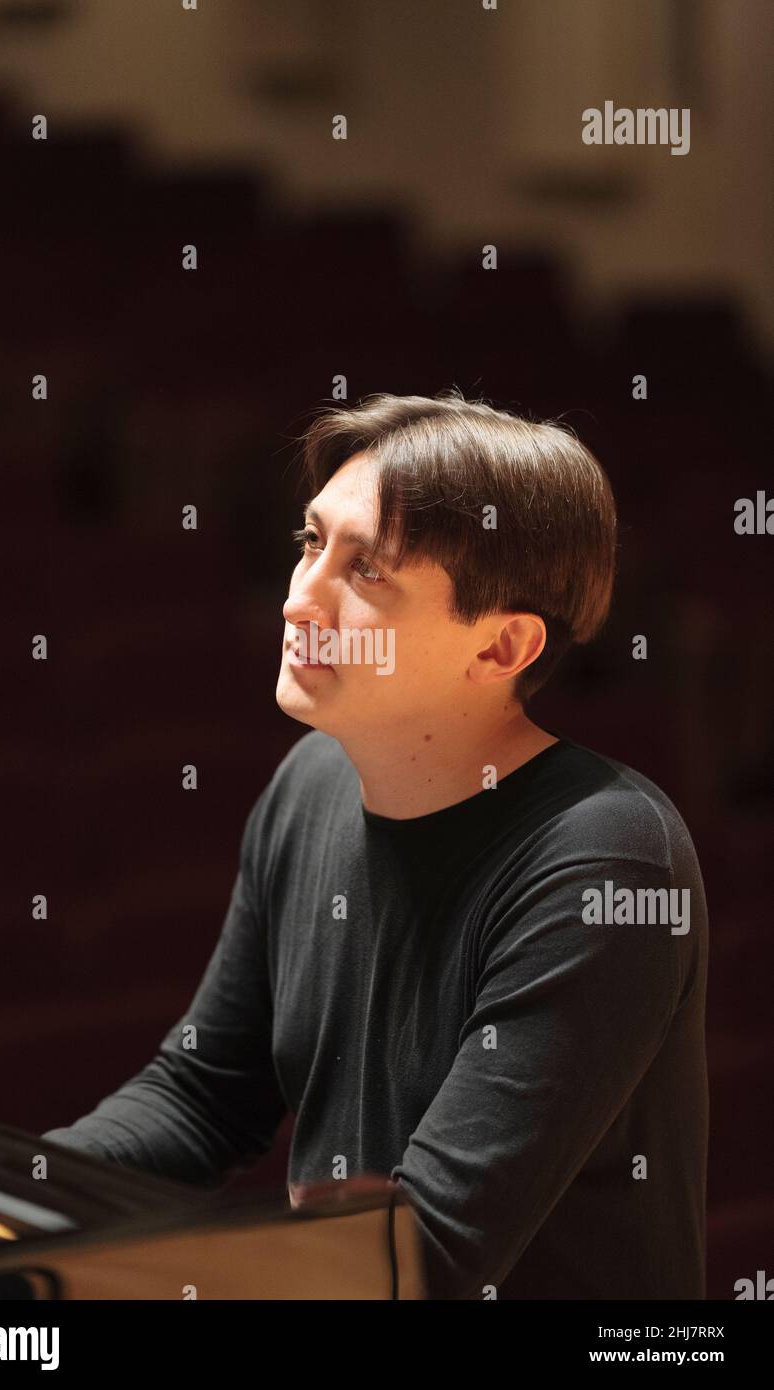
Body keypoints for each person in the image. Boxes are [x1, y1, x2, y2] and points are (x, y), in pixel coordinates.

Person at [42, 389, 709, 1299]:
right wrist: (3, 1201)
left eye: (368, 572)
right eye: (312, 544)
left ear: (502, 646)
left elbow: (422, 1252)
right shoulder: (310, 783)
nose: (299, 599)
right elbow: (199, 1101)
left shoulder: (604, 857)